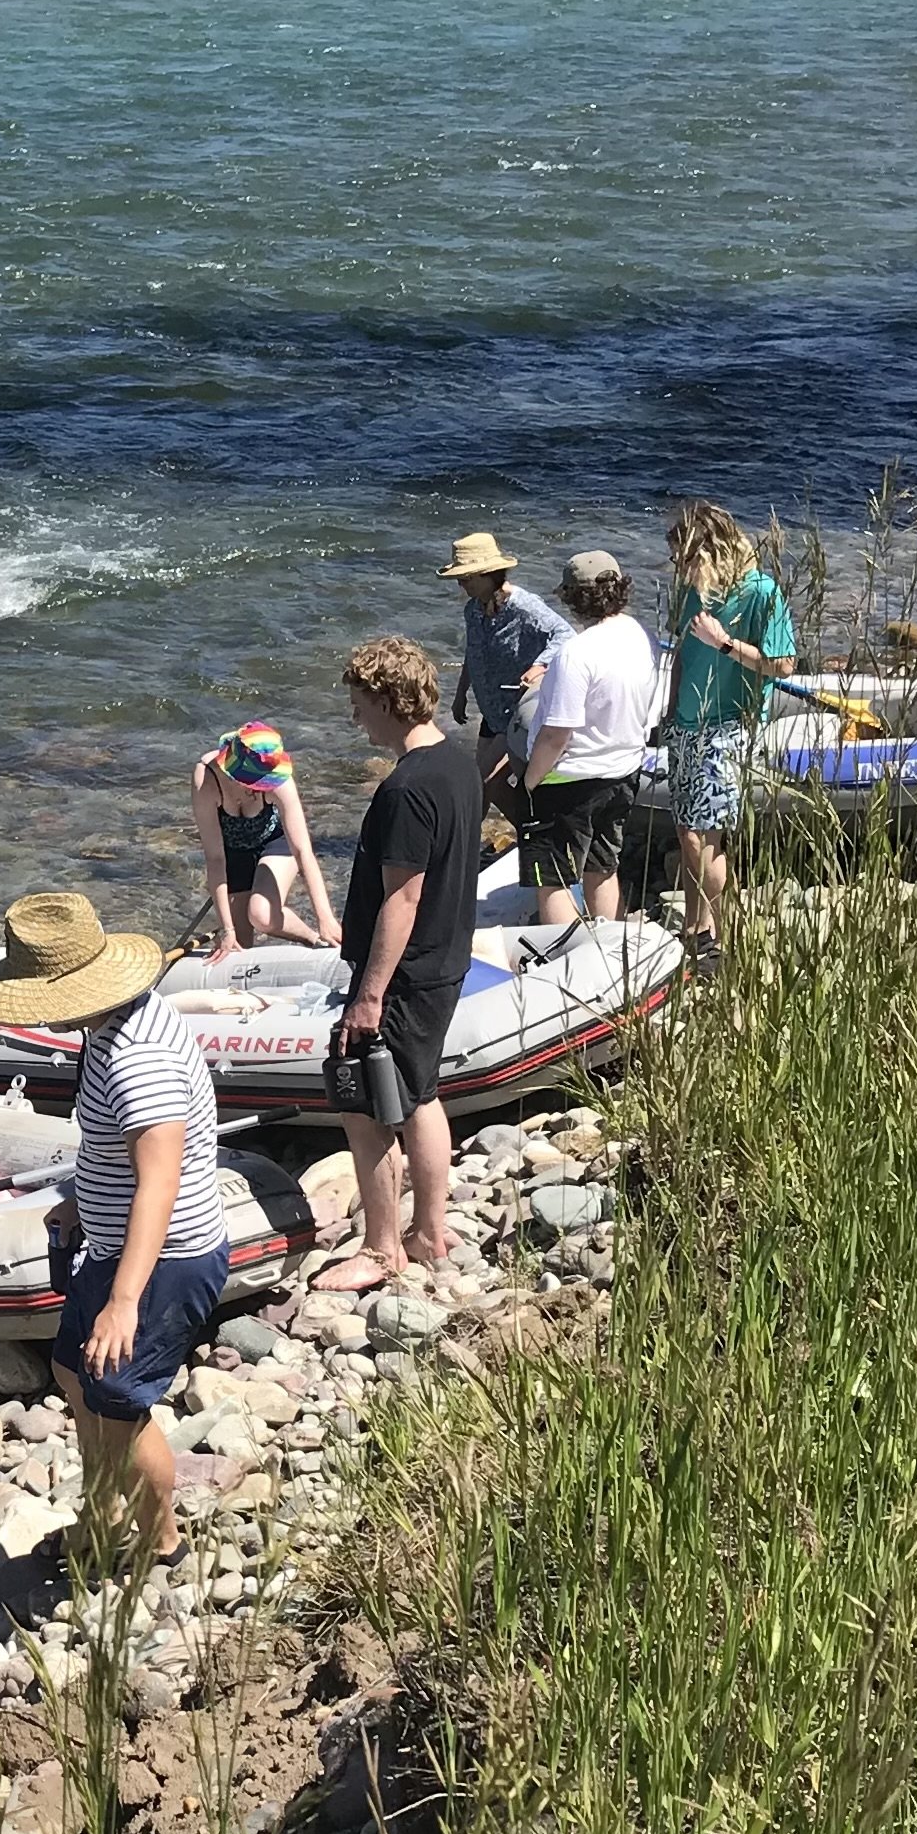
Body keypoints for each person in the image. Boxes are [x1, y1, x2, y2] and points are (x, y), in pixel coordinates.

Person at [0, 891, 231, 1564]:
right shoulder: (113, 1025)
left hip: (163, 1258)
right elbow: (122, 1155)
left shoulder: (135, 1059)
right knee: (72, 1372)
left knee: (117, 1402)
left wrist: (123, 1301)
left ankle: (160, 1539)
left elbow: (160, 1181)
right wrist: (82, 1199)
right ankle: (104, 1508)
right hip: (119, 1246)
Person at [316, 637, 482, 1295]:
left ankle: (383, 1248)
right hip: (445, 960)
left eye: (359, 705)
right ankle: (430, 1230)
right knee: (420, 1096)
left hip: (404, 972)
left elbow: (402, 898)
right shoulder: (459, 766)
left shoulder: (406, 790)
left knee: (366, 1105)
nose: (356, 720)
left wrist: (369, 995)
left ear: (388, 701)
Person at [662, 499, 796, 967]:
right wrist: (669, 711)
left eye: (683, 555)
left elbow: (781, 663)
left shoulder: (761, 592)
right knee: (686, 832)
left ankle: (714, 934)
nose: (677, 565)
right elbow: (681, 651)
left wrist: (724, 642)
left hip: (726, 727)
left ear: (709, 549)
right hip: (684, 724)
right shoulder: (692, 590)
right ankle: (695, 924)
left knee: (704, 837)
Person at [522, 550, 659, 924]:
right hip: (623, 770)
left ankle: (561, 966)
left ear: (573, 597)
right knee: (603, 867)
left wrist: (529, 782)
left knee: (553, 881)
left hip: (570, 779)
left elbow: (557, 733)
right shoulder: (639, 635)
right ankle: (611, 952)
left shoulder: (577, 653)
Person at [441, 531, 569, 819]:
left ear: (488, 574)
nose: (461, 584)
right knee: (480, 788)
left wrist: (540, 666)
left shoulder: (523, 606)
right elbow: (473, 653)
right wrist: (461, 694)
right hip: (491, 711)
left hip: (518, 713)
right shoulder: (472, 610)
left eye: (466, 578)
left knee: (485, 782)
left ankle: (531, 834)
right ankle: (471, 850)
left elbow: (564, 634)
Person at [187, 721, 340, 953]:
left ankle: (313, 940)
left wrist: (325, 917)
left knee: (262, 915)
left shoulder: (279, 778)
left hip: (275, 843)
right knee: (239, 945)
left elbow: (302, 851)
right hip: (233, 853)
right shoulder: (206, 779)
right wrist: (226, 928)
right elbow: (215, 858)